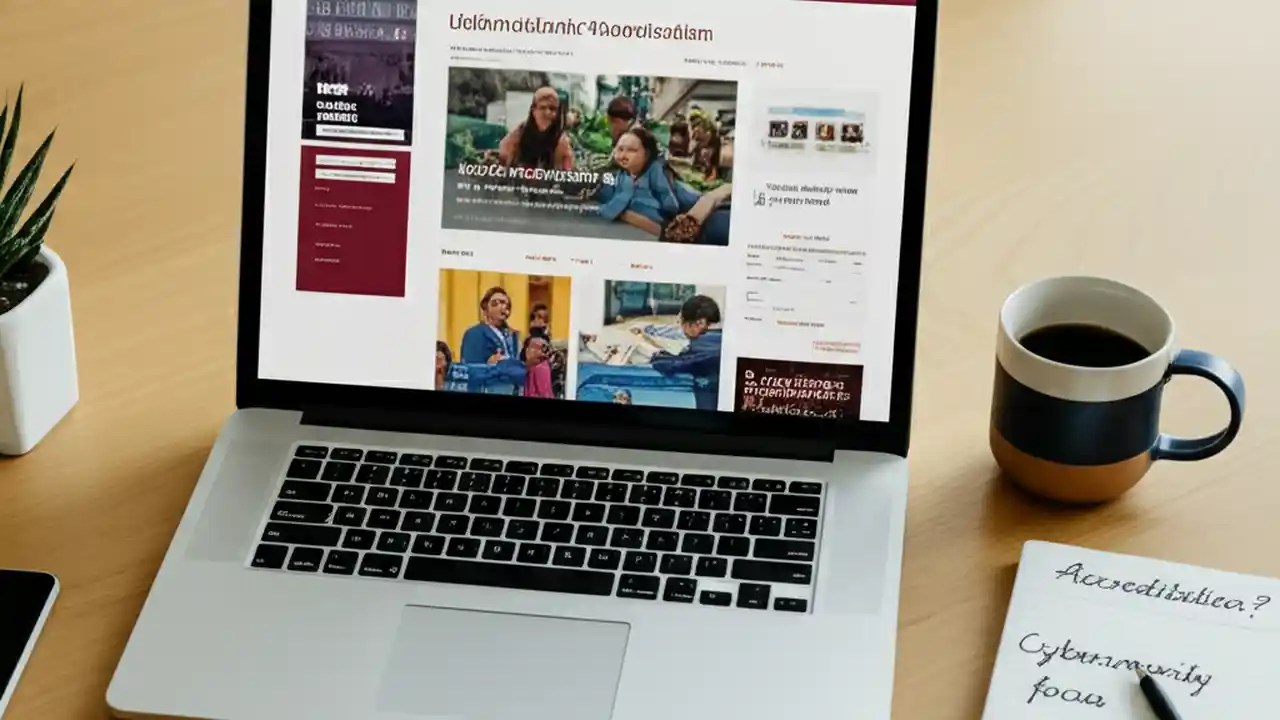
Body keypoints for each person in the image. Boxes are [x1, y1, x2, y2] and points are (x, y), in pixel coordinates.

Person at [651, 295, 723, 411]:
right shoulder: (668, 338)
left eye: (708, 325)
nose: (705, 329)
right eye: (702, 323)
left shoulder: (706, 341)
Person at [459, 286, 526, 390]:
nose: (502, 307)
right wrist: (492, 365)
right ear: (485, 309)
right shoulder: (475, 333)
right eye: (496, 303)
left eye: (505, 304)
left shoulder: (514, 336)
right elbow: (470, 369)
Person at [497, 86, 574, 170]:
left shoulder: (562, 144)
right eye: (542, 108)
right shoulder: (517, 137)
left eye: (552, 109)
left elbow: (568, 172)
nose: (547, 113)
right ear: (534, 111)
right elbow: (502, 163)